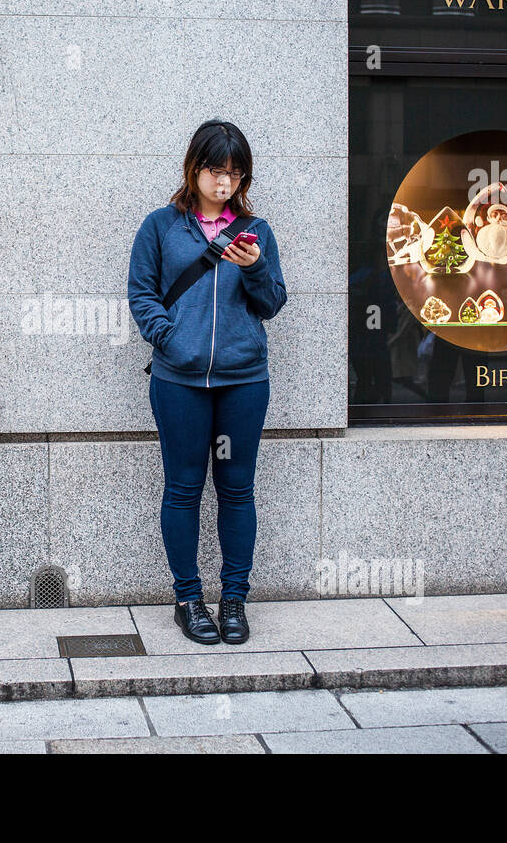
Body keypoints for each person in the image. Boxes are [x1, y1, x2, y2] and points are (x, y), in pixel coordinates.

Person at [127, 120, 287, 645]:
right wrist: (173, 340)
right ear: (194, 169)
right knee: (183, 488)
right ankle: (189, 599)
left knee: (237, 490)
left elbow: (272, 303)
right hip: (179, 381)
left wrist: (258, 268)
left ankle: (234, 600)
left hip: (244, 379)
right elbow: (141, 294)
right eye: (217, 171)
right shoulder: (161, 226)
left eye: (236, 173)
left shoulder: (257, 231)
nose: (226, 183)